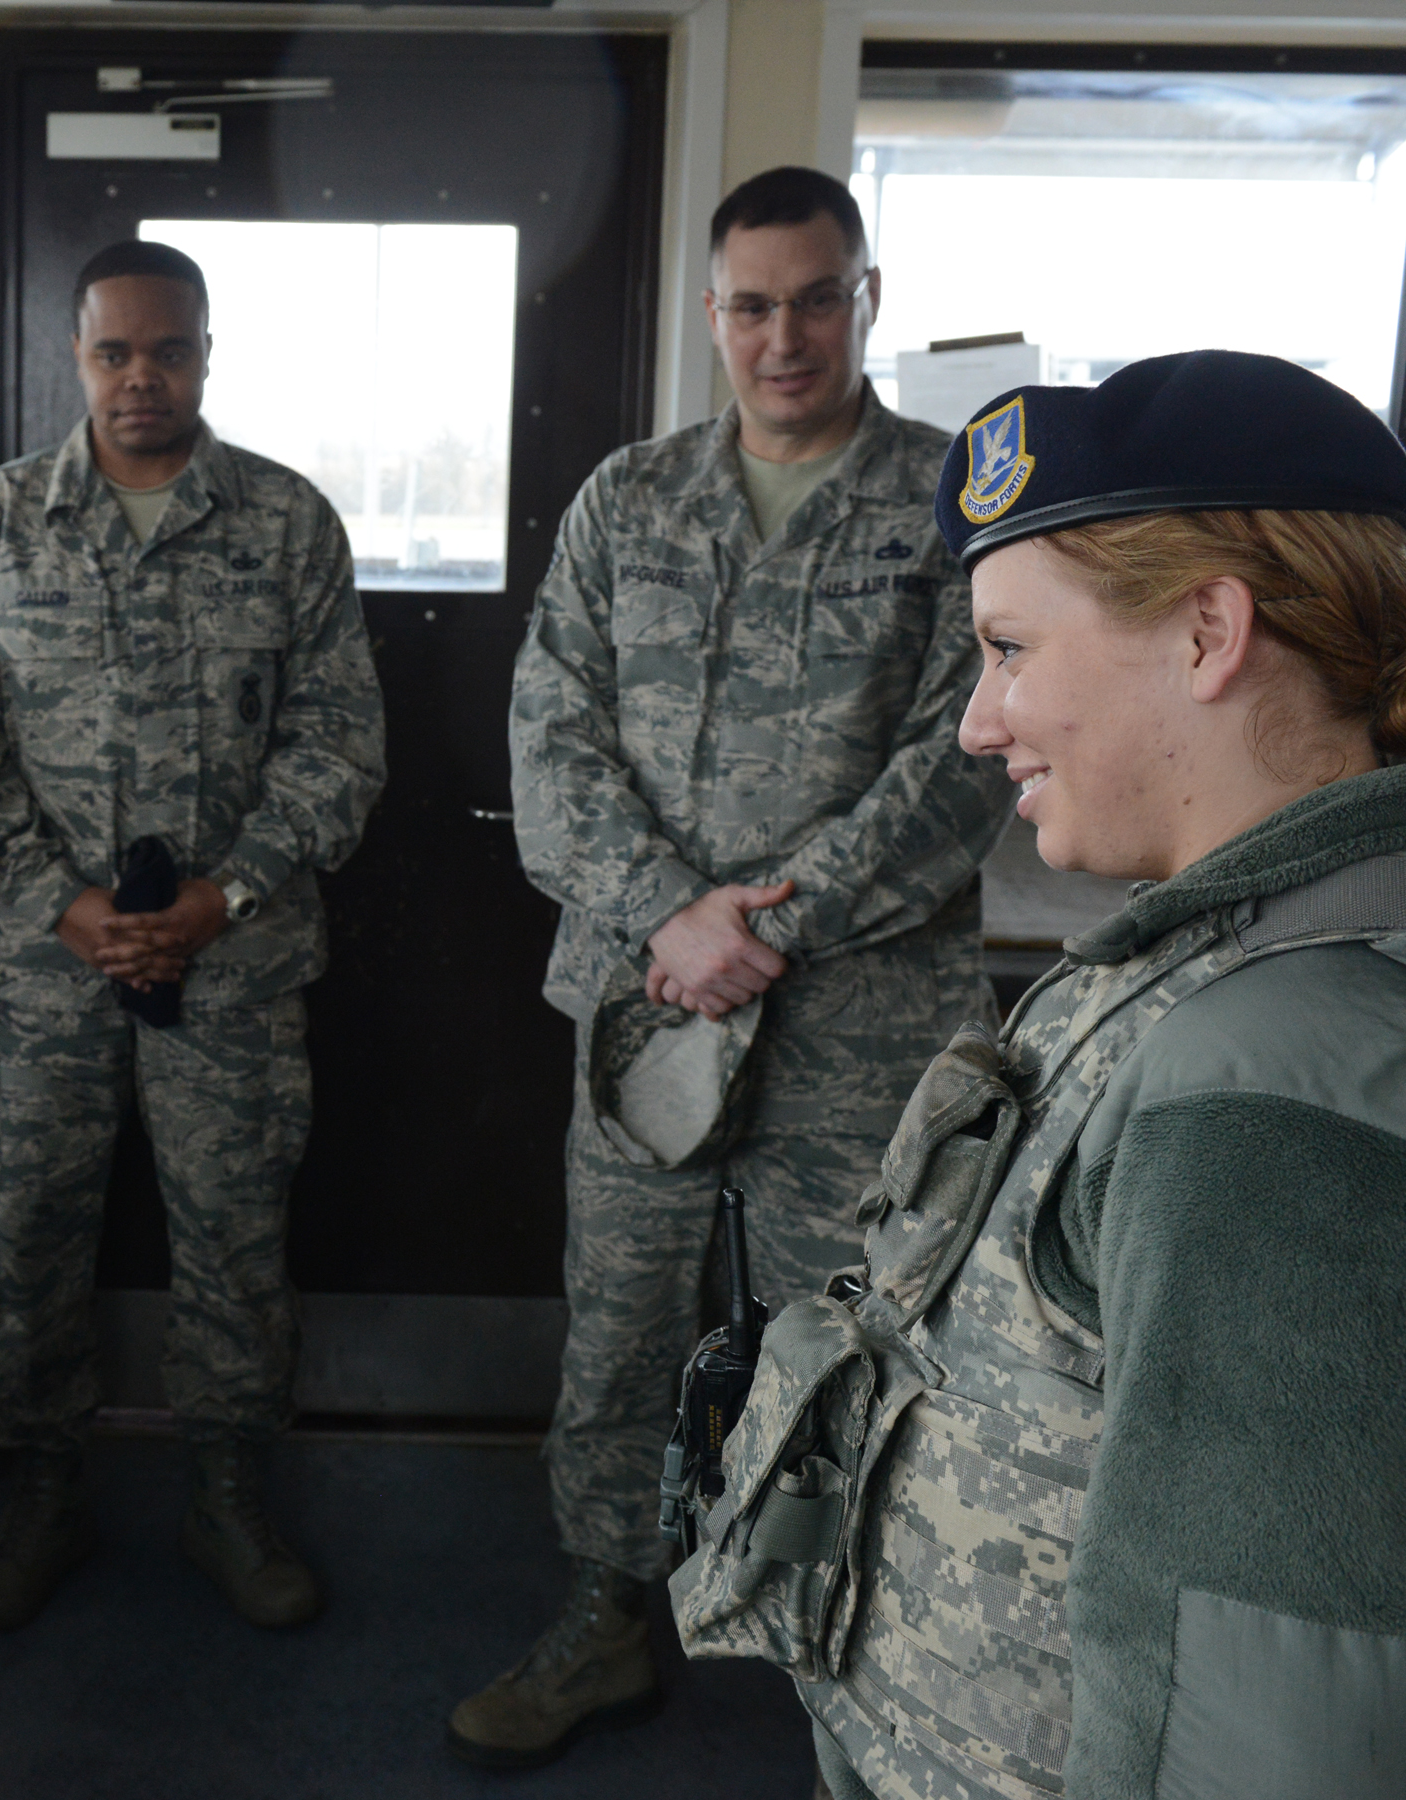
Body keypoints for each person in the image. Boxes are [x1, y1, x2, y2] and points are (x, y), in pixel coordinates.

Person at [675, 350, 1406, 1800]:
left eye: (1013, 650)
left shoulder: (1304, 1083)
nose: (981, 723)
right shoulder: (1325, 933)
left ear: (1207, 632)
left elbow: (1275, 1749)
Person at [460, 165, 1015, 1765]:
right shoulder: (630, 500)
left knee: (847, 1333)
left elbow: (969, 755)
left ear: (868, 300)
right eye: (755, 305)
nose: (788, 335)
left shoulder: (948, 507)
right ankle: (604, 1619)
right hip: (649, 1014)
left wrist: (763, 927)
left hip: (861, 1022)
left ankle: (856, 1675)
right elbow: (549, 738)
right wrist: (671, 921)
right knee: (625, 1323)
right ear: (713, 316)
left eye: (819, 297)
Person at [0, 239, 387, 1632]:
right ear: (78, 358)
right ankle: (45, 1492)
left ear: (204, 354)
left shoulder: (287, 522)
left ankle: (230, 1499)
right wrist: (65, 908)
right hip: (38, 971)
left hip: (232, 968)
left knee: (237, 1237)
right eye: (115, 352)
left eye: (168, 349)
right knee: (33, 1230)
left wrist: (221, 898)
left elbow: (342, 742)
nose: (142, 377)